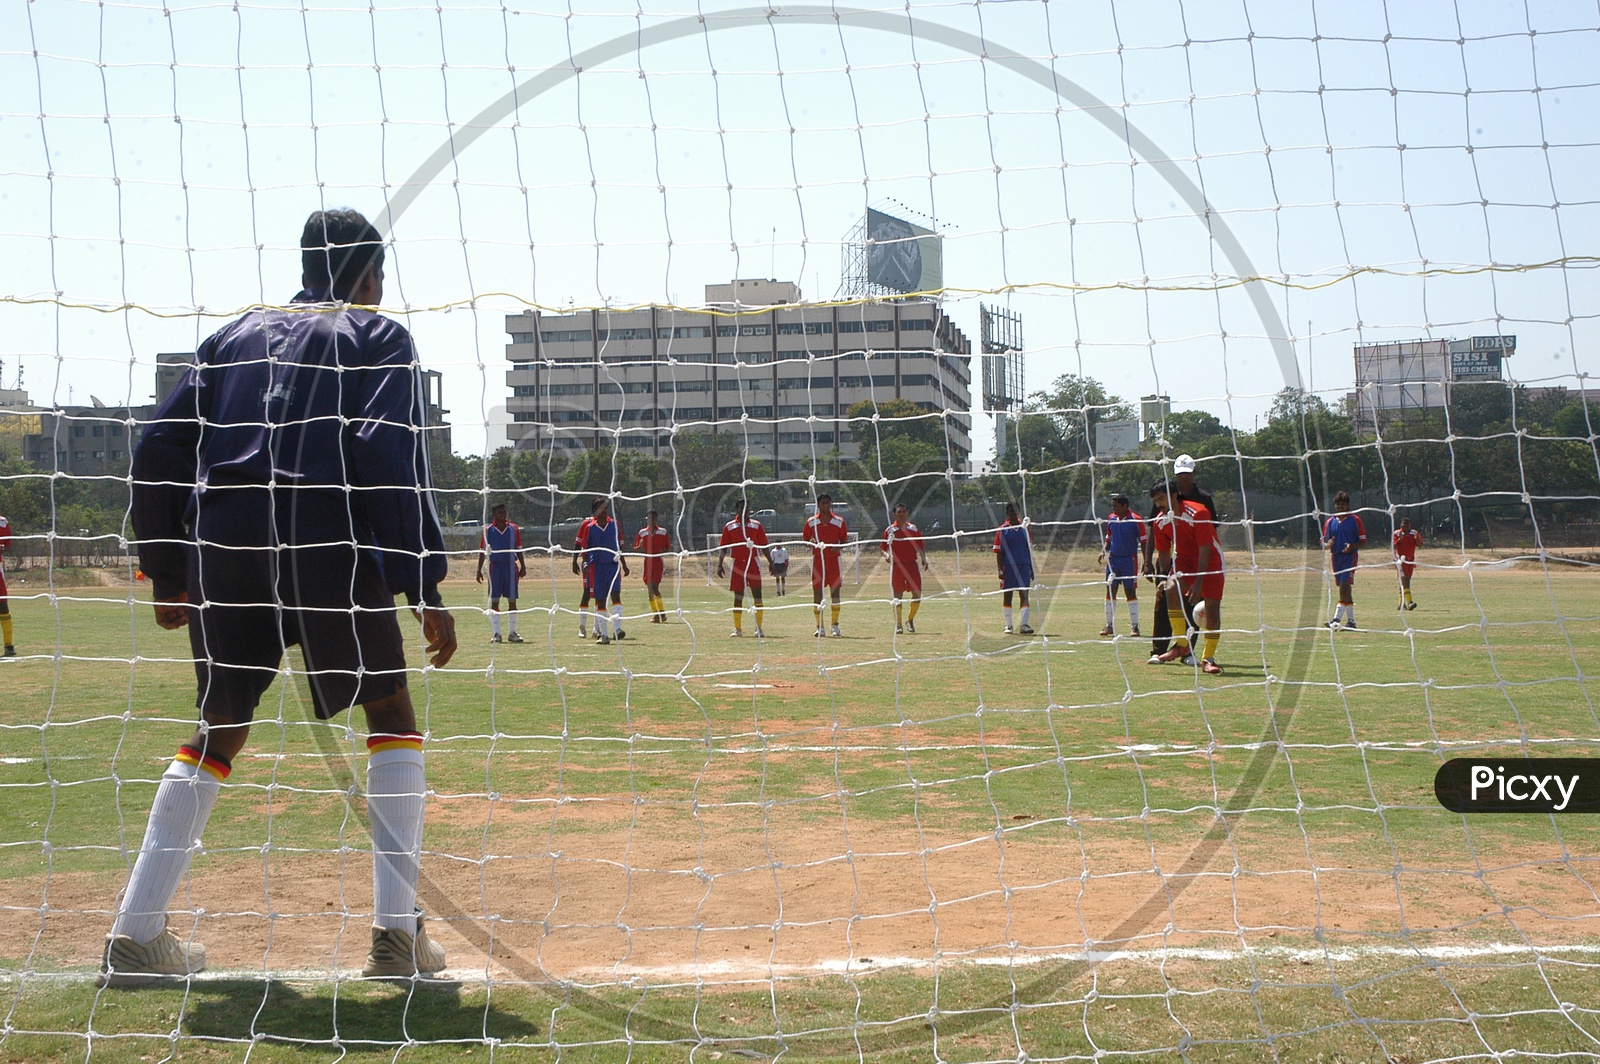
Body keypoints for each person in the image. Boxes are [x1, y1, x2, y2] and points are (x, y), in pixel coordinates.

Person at [103, 209, 459, 986]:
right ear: (368, 275)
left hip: (225, 540)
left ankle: (134, 937)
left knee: (218, 722)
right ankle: (396, 939)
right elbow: (382, 452)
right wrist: (421, 578)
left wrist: (168, 568)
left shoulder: (231, 336)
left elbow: (158, 446)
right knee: (389, 711)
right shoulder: (377, 335)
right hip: (323, 534)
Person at [1150, 481, 1224, 673]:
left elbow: (1205, 549)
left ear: (1174, 495)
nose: (1158, 504)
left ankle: (1208, 659)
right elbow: (1164, 554)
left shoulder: (1198, 513)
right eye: (1155, 500)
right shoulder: (1160, 521)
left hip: (1210, 561)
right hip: (1184, 561)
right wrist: (1163, 579)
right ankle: (1182, 645)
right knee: (1171, 588)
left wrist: (1198, 583)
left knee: (1212, 610)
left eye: (1161, 498)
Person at [573, 496, 628, 644]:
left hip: (612, 565)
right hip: (596, 568)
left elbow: (620, 547)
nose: (604, 510)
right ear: (595, 510)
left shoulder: (614, 525)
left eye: (606, 507)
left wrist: (624, 564)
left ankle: (617, 629)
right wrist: (584, 562)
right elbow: (585, 549)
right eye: (601, 507)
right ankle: (603, 634)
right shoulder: (589, 528)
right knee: (600, 599)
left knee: (616, 595)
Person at [716, 499, 770, 637]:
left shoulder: (756, 525)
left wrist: (771, 562)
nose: (743, 510)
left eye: (746, 508)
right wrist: (719, 564)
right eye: (741, 507)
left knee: (757, 595)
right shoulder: (730, 526)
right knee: (737, 597)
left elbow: (764, 545)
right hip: (738, 564)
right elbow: (724, 547)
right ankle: (737, 629)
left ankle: (759, 628)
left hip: (753, 563)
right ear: (737, 510)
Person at [476, 504, 526, 643]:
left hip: (510, 567)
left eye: (504, 512)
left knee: (512, 600)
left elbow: (519, 548)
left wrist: (523, 565)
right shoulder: (488, 530)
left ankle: (513, 632)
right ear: (494, 515)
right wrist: (478, 569)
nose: (503, 515)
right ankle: (496, 634)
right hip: (495, 568)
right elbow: (482, 551)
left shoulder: (513, 528)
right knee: (495, 600)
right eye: (500, 513)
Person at [803, 493, 850, 637]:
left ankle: (835, 626)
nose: (825, 505)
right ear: (818, 505)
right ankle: (820, 626)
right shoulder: (811, 522)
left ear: (831, 504)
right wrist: (810, 542)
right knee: (817, 593)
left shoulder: (839, 521)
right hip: (818, 560)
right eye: (823, 503)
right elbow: (805, 541)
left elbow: (844, 541)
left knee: (835, 593)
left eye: (828, 503)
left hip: (834, 561)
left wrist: (839, 547)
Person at [1099, 494, 1145, 638]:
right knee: (1110, 591)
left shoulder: (1136, 520)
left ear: (1125, 506)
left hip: (1129, 560)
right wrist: (1103, 551)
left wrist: (1146, 561)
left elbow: (1144, 541)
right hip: (1113, 560)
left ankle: (1135, 627)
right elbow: (1109, 537)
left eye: (1116, 506)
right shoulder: (1111, 519)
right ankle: (1109, 625)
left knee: (1130, 592)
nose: (1114, 509)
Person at [881, 503, 929, 634]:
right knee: (898, 596)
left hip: (912, 565)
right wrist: (886, 555)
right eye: (899, 511)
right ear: (894, 514)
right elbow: (882, 548)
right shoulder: (890, 530)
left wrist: (924, 558)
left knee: (917, 594)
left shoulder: (913, 529)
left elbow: (920, 546)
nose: (901, 513)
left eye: (904, 511)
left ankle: (910, 620)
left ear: (907, 513)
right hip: (897, 567)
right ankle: (899, 624)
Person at [1322, 492, 1366, 630]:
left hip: (1349, 557)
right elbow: (1323, 542)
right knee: (1345, 589)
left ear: (1348, 506)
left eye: (1343, 504)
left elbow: (1363, 541)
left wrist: (1352, 546)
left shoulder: (1355, 520)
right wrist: (1328, 544)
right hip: (1336, 557)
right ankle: (1351, 622)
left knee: (1344, 585)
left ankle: (1336, 619)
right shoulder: (1330, 522)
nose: (1340, 507)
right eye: (1338, 504)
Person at [993, 502, 1035, 635]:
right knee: (1008, 595)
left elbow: (1028, 549)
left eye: (1016, 511)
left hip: (1023, 565)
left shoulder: (1025, 528)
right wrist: (1000, 570)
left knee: (1024, 594)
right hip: (1008, 567)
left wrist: (1031, 568)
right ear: (1007, 513)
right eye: (1011, 511)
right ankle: (1009, 626)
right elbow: (999, 552)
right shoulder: (1002, 529)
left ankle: (1024, 625)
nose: (1013, 514)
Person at [632, 509, 671, 623]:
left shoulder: (662, 532)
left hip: (658, 561)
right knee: (650, 590)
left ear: (656, 519)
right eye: (648, 518)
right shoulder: (642, 533)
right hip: (647, 562)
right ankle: (656, 615)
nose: (650, 520)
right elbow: (636, 548)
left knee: (655, 588)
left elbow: (667, 546)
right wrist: (639, 546)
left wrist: (662, 550)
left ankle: (662, 612)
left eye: (652, 518)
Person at [1392, 516, 1421, 611]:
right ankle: (1410, 602)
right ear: (1401, 525)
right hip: (1400, 559)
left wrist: (1417, 539)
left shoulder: (1414, 533)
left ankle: (1401, 604)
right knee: (1405, 581)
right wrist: (1400, 539)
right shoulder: (1397, 533)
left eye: (1408, 524)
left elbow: (1420, 545)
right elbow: (1393, 546)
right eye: (1404, 523)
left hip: (1410, 560)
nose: (1406, 525)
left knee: (1405, 581)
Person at [0, 512, 14, 656]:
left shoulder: (2, 522)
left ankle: (9, 645)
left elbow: (8, 546)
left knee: (3, 605)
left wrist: (2, 549)